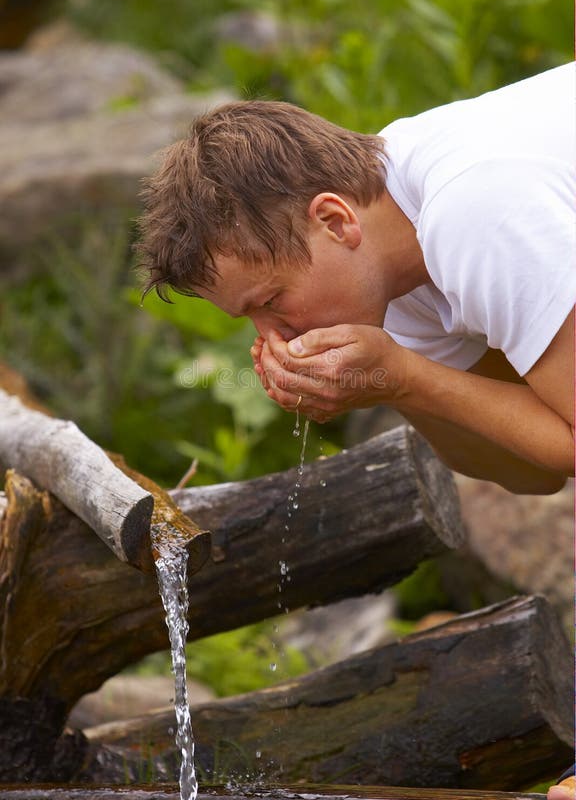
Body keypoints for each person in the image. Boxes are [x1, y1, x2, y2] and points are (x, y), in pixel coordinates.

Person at [138, 64, 575, 797]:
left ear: (335, 220)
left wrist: (405, 377)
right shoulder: (389, 267)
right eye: (250, 319)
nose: (272, 336)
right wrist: (387, 380)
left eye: (272, 300)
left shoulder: (474, 210)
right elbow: (529, 470)